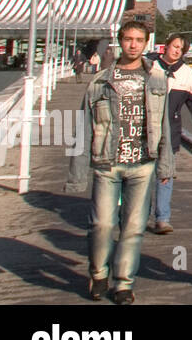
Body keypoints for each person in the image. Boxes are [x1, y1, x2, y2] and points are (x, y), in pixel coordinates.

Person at [66, 21, 174, 305]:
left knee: (133, 228)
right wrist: (77, 174)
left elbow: (163, 126)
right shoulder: (100, 81)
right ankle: (99, 273)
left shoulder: (157, 79)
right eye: (128, 39)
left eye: (139, 40)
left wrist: (165, 167)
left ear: (146, 43)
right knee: (102, 224)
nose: (133, 45)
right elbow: (83, 129)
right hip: (107, 163)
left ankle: (124, 284)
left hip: (143, 163)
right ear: (120, 41)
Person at [148, 34, 192, 234]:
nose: (177, 51)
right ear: (166, 46)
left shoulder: (187, 74)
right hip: (146, 132)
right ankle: (139, 216)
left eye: (181, 49)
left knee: (165, 175)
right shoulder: (149, 67)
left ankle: (162, 218)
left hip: (170, 132)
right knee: (142, 177)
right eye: (175, 46)